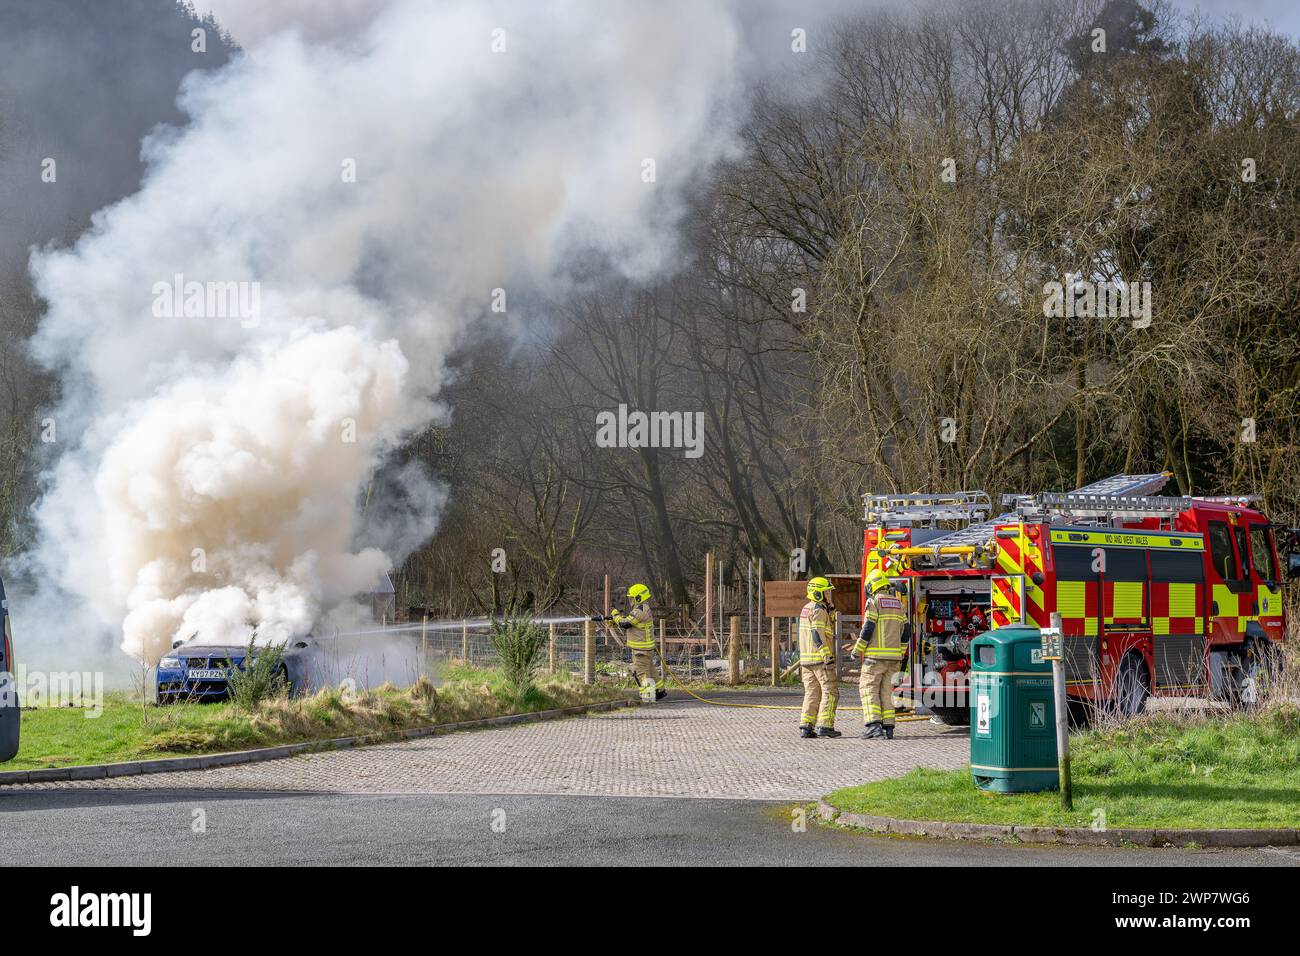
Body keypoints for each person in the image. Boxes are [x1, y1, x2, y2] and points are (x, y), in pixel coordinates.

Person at [849, 568, 910, 739]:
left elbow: (868, 628)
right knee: (886, 691)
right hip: (894, 659)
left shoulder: (873, 602)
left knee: (868, 689)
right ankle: (888, 728)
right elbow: (906, 632)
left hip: (874, 658)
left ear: (871, 586)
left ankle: (873, 726)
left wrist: (857, 650)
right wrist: (901, 652)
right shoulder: (899, 604)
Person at [604, 583, 665, 702]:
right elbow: (629, 621)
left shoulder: (639, 610)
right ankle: (659, 691)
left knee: (640, 672)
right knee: (650, 670)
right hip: (645, 648)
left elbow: (626, 623)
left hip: (641, 649)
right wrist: (616, 621)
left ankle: (647, 696)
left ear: (639, 597)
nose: (630, 600)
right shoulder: (643, 608)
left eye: (632, 597)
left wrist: (615, 615)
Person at [798, 576, 841, 738]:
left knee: (812, 693)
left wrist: (830, 612)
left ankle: (806, 726)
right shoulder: (818, 610)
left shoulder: (807, 608)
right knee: (831, 692)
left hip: (807, 661)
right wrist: (827, 657)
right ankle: (825, 726)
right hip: (820, 660)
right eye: (826, 592)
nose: (829, 595)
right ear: (817, 593)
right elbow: (817, 634)